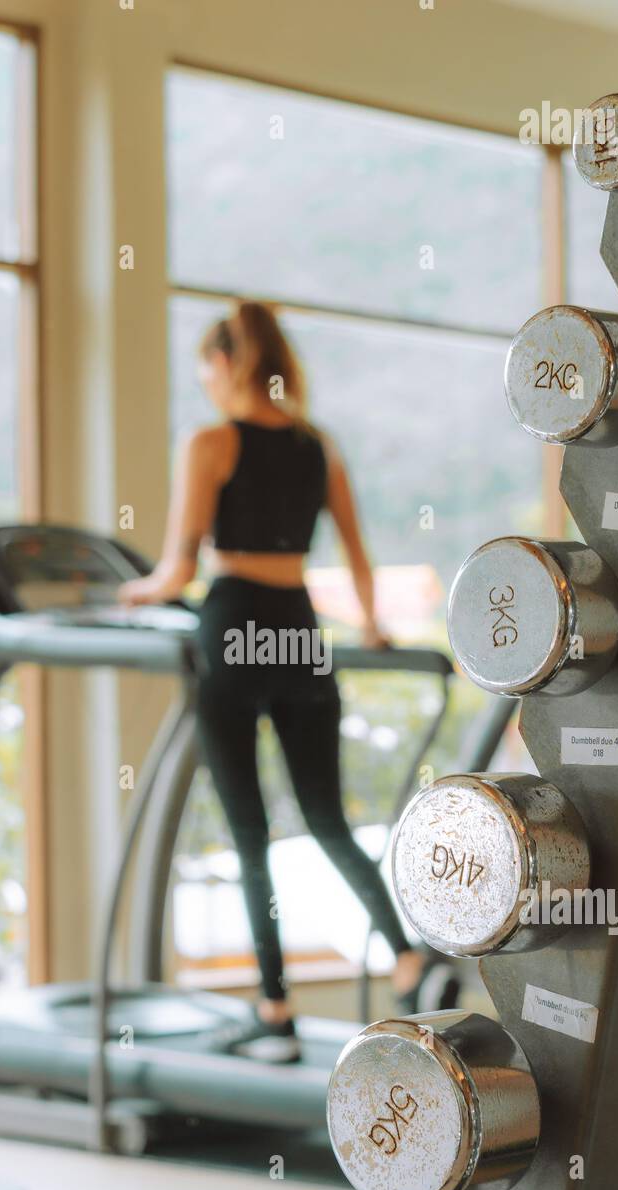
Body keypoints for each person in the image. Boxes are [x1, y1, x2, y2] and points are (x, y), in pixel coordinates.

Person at [119, 301, 426, 1061]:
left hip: (230, 626)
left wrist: (126, 592)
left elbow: (175, 569)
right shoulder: (317, 446)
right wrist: (374, 628)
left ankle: (275, 1007)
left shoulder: (210, 442)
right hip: (296, 628)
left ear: (225, 364)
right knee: (325, 820)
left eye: (206, 372)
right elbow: (356, 555)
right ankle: (406, 952)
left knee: (249, 831)